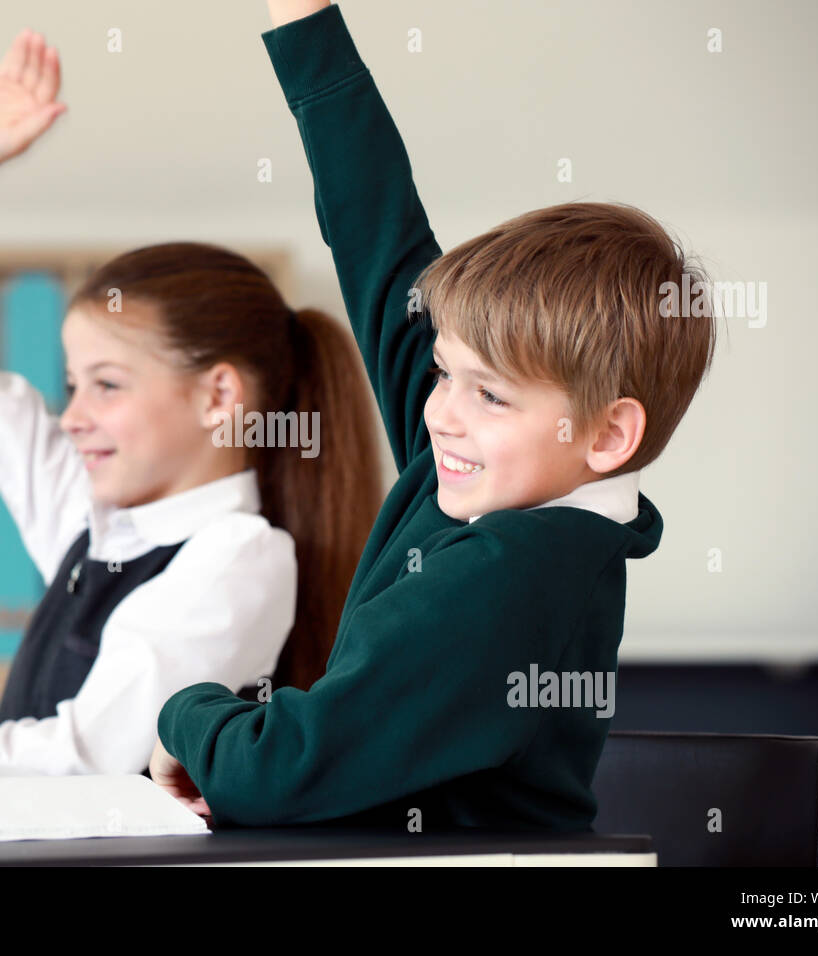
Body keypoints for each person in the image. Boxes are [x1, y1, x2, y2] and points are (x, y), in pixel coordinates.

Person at [150, 1, 718, 829]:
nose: (440, 413)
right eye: (444, 373)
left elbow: (279, 770)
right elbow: (377, 228)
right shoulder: (489, 469)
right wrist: (305, 23)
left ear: (606, 435)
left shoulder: (510, 571)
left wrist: (187, 714)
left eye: (487, 393)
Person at [0, 29, 383, 774]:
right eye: (71, 385)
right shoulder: (88, 517)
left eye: (107, 384)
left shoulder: (240, 559)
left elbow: (94, 752)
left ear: (218, 395)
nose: (72, 416)